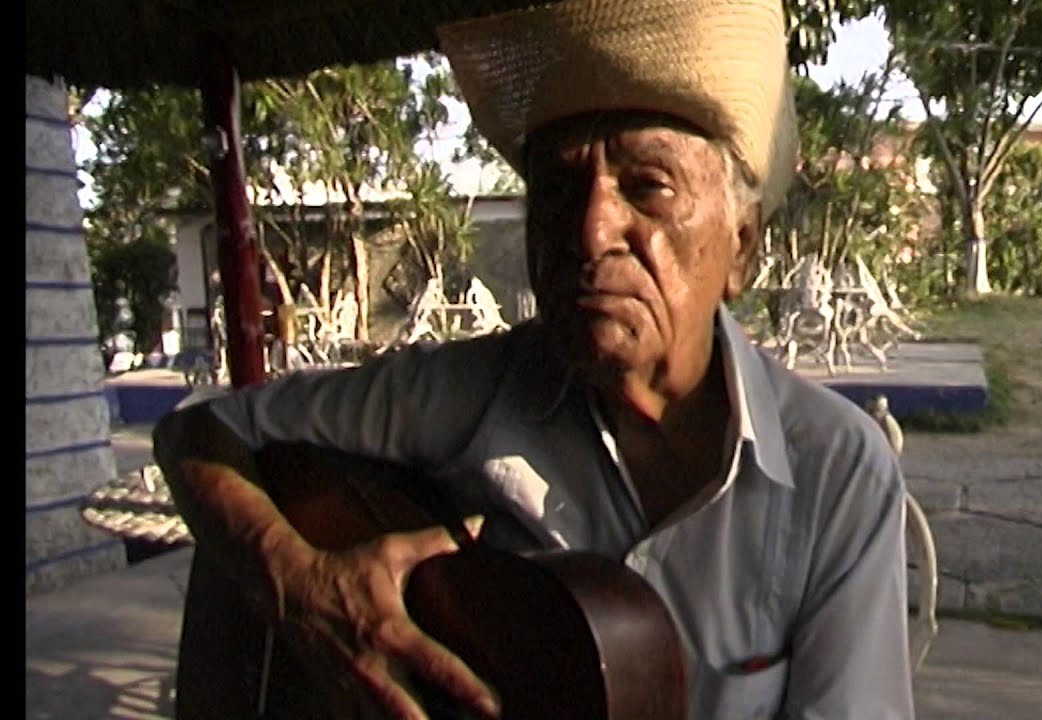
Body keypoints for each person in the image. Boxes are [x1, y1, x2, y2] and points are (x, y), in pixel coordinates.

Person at [151, 0, 915, 718]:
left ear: (740, 249)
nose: (590, 231)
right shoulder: (472, 391)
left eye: (647, 186)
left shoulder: (835, 475)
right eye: (556, 188)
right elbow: (200, 431)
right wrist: (299, 584)